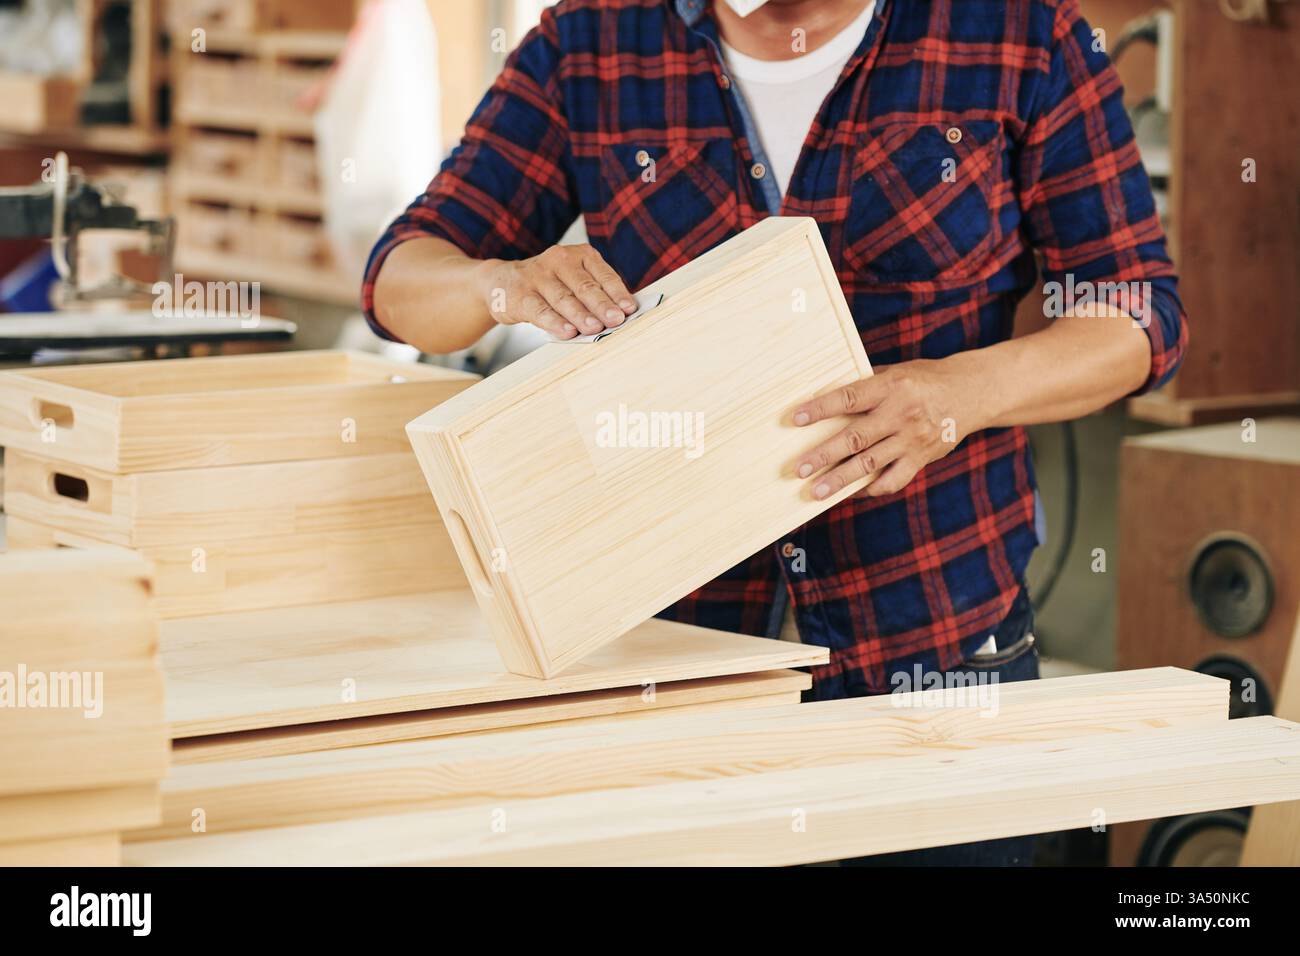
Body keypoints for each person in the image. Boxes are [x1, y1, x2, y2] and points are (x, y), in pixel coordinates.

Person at [363, 0, 1187, 865]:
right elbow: (400, 277)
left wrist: (960, 393)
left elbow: (1136, 311)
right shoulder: (591, 42)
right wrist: (502, 286)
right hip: (677, 659)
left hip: (936, 644)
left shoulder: (1019, 36)